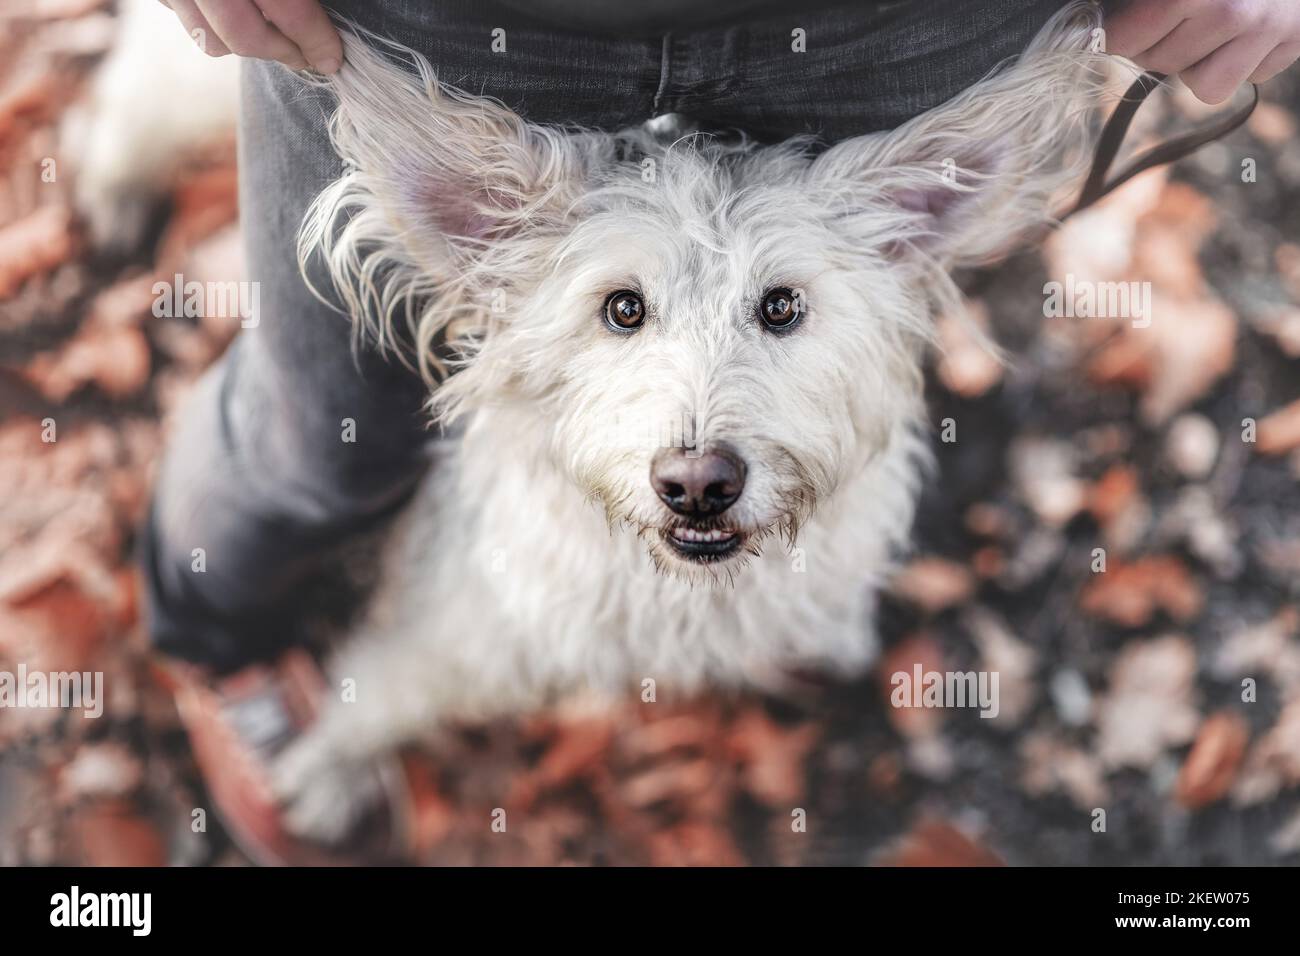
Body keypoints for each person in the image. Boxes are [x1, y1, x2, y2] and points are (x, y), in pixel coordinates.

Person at [143, 0, 1300, 858]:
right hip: (449, 25)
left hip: (902, 29)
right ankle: (225, 635)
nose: (699, 451)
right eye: (623, 311)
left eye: (779, 309)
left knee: (831, 454)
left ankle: (784, 606)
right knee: (324, 432)